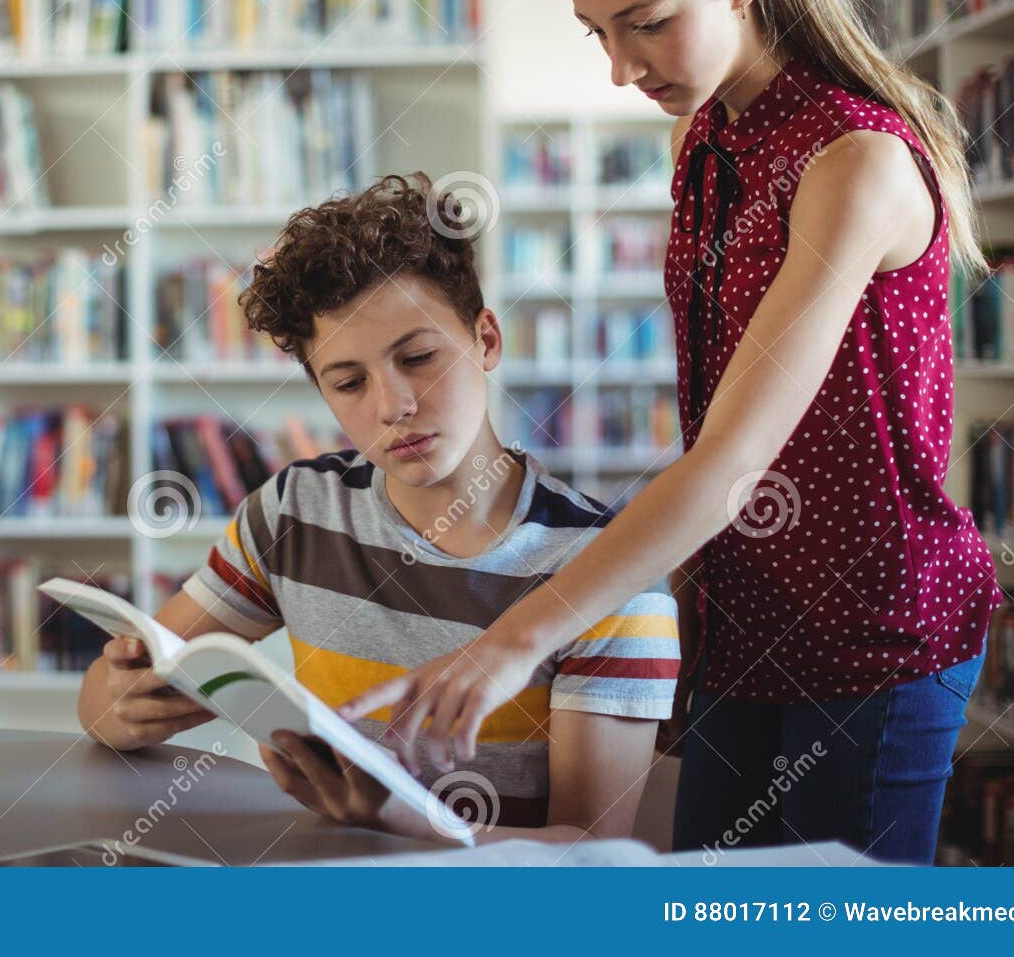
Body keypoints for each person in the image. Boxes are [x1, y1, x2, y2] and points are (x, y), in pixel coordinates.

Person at [337, 0, 1000, 865]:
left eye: (644, 22)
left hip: (871, 625)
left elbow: (730, 462)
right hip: (742, 621)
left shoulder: (855, 161)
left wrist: (521, 638)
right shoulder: (708, 137)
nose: (618, 67)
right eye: (596, 32)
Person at [77, 174, 678, 843]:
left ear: (486, 339)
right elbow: (106, 694)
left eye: (418, 357)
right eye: (349, 382)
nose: (392, 405)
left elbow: (593, 858)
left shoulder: (612, 572)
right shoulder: (293, 514)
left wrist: (402, 817)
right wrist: (119, 704)